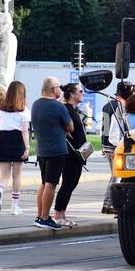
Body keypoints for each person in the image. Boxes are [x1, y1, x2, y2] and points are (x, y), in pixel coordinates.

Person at [31, 77, 74, 230]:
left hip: (42, 150)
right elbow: (71, 126)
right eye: (59, 87)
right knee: (51, 185)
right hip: (56, 150)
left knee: (44, 183)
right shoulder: (58, 106)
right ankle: (45, 218)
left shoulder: (36, 104)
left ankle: (39, 215)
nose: (61, 90)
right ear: (52, 89)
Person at [0, 80, 30, 215]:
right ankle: (14, 206)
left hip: (4, 140)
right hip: (18, 141)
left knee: (4, 175)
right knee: (17, 175)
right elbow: (25, 131)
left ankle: (0, 190)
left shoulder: (0, 108)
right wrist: (27, 147)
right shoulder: (24, 110)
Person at [53, 82, 89, 227]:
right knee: (67, 184)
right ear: (72, 95)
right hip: (70, 154)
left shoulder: (74, 109)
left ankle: (63, 214)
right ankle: (57, 214)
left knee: (72, 184)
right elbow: (64, 130)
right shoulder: (66, 109)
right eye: (80, 91)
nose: (83, 93)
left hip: (78, 155)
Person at [101, 81, 133, 160]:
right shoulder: (121, 106)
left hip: (107, 146)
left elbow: (105, 128)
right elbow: (116, 128)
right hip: (116, 146)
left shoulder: (106, 106)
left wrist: (103, 144)